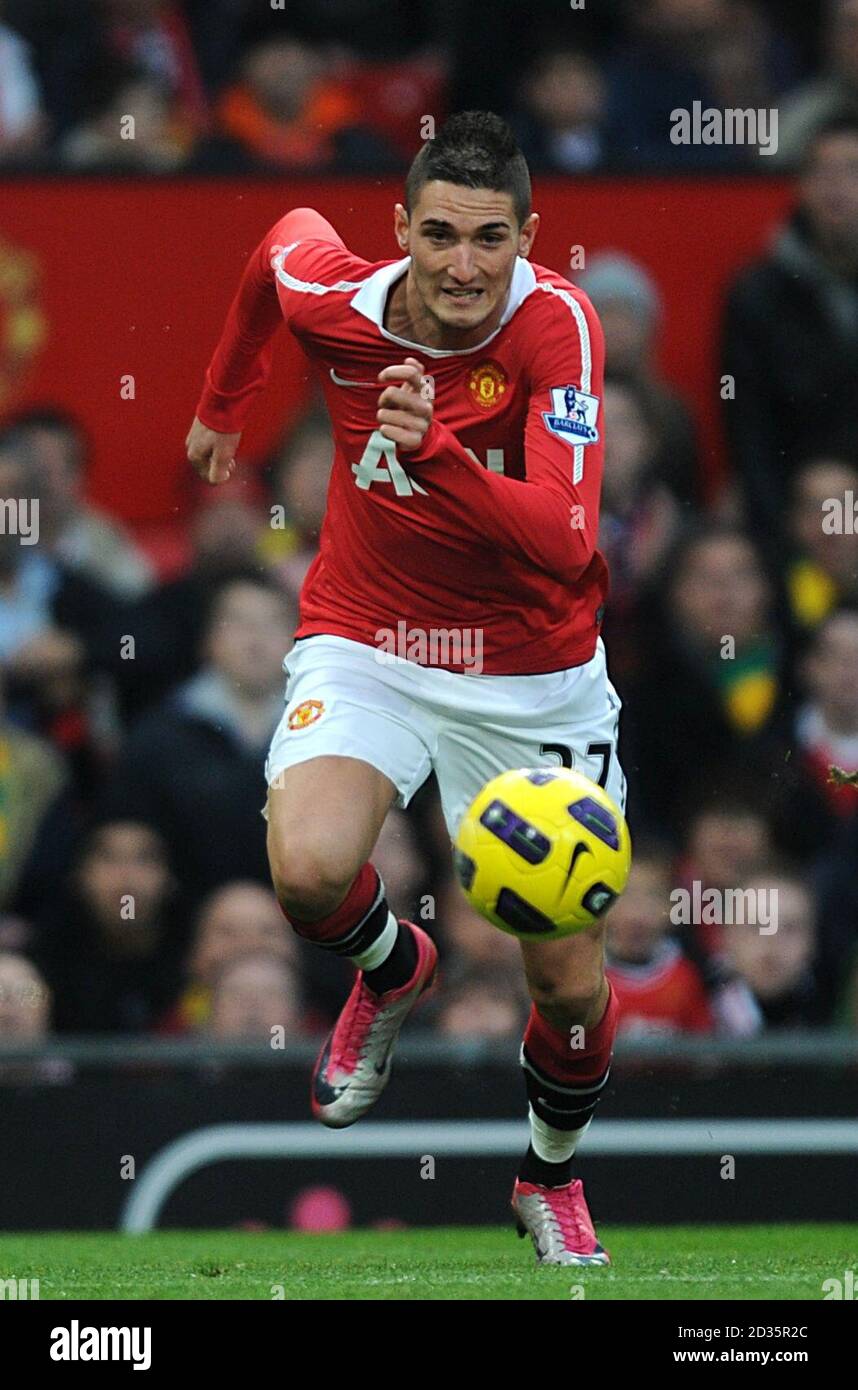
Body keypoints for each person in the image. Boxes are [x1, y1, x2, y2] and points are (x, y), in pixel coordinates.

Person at [186, 111, 623, 1266]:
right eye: (440, 235)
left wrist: (435, 456)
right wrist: (223, 402)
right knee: (309, 869)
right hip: (371, 637)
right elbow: (275, 245)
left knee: (570, 988)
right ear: (402, 230)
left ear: (529, 236)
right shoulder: (337, 299)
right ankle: (394, 966)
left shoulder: (556, 328)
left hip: (533, 673)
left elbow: (568, 540)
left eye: (491, 239)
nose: (465, 266)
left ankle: (548, 1174)